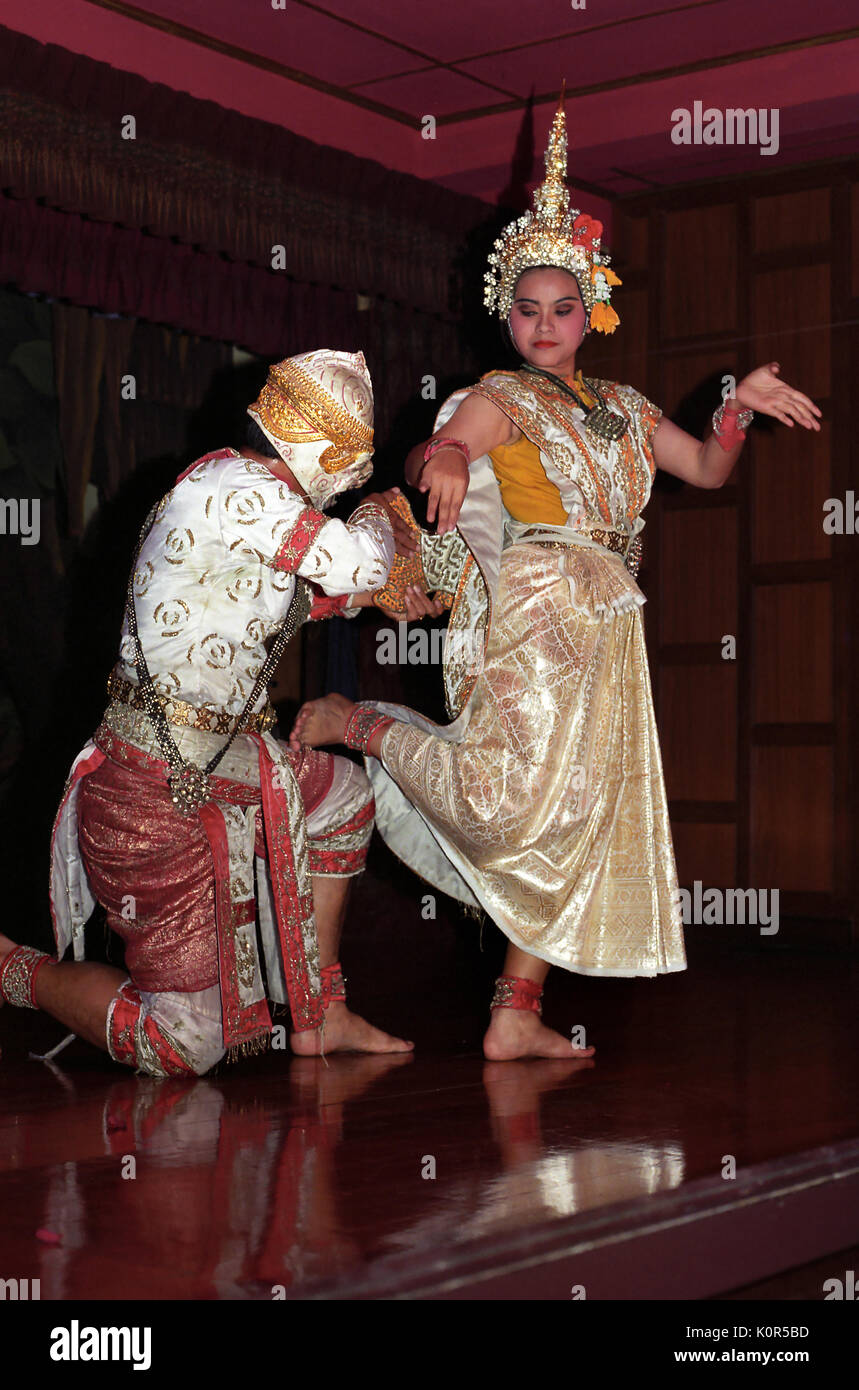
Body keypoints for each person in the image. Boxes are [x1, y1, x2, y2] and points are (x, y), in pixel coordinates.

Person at [289, 99, 822, 1061]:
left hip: (608, 617)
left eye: (561, 309)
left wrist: (735, 407)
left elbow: (702, 468)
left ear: (591, 312)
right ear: (508, 315)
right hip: (531, 605)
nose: (543, 326)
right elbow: (446, 446)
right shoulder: (502, 396)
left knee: (577, 807)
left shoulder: (621, 404)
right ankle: (352, 722)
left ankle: (515, 1012)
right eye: (526, 310)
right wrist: (443, 456)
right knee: (509, 795)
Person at [0, 349, 417, 1075]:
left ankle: (321, 1009)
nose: (350, 482)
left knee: (344, 800)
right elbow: (354, 560)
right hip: (149, 792)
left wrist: (374, 595)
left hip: (222, 762)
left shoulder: (239, 492)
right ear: (326, 451)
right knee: (184, 1045)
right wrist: (389, 515)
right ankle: (12, 971)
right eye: (351, 467)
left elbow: (268, 604)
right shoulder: (239, 486)